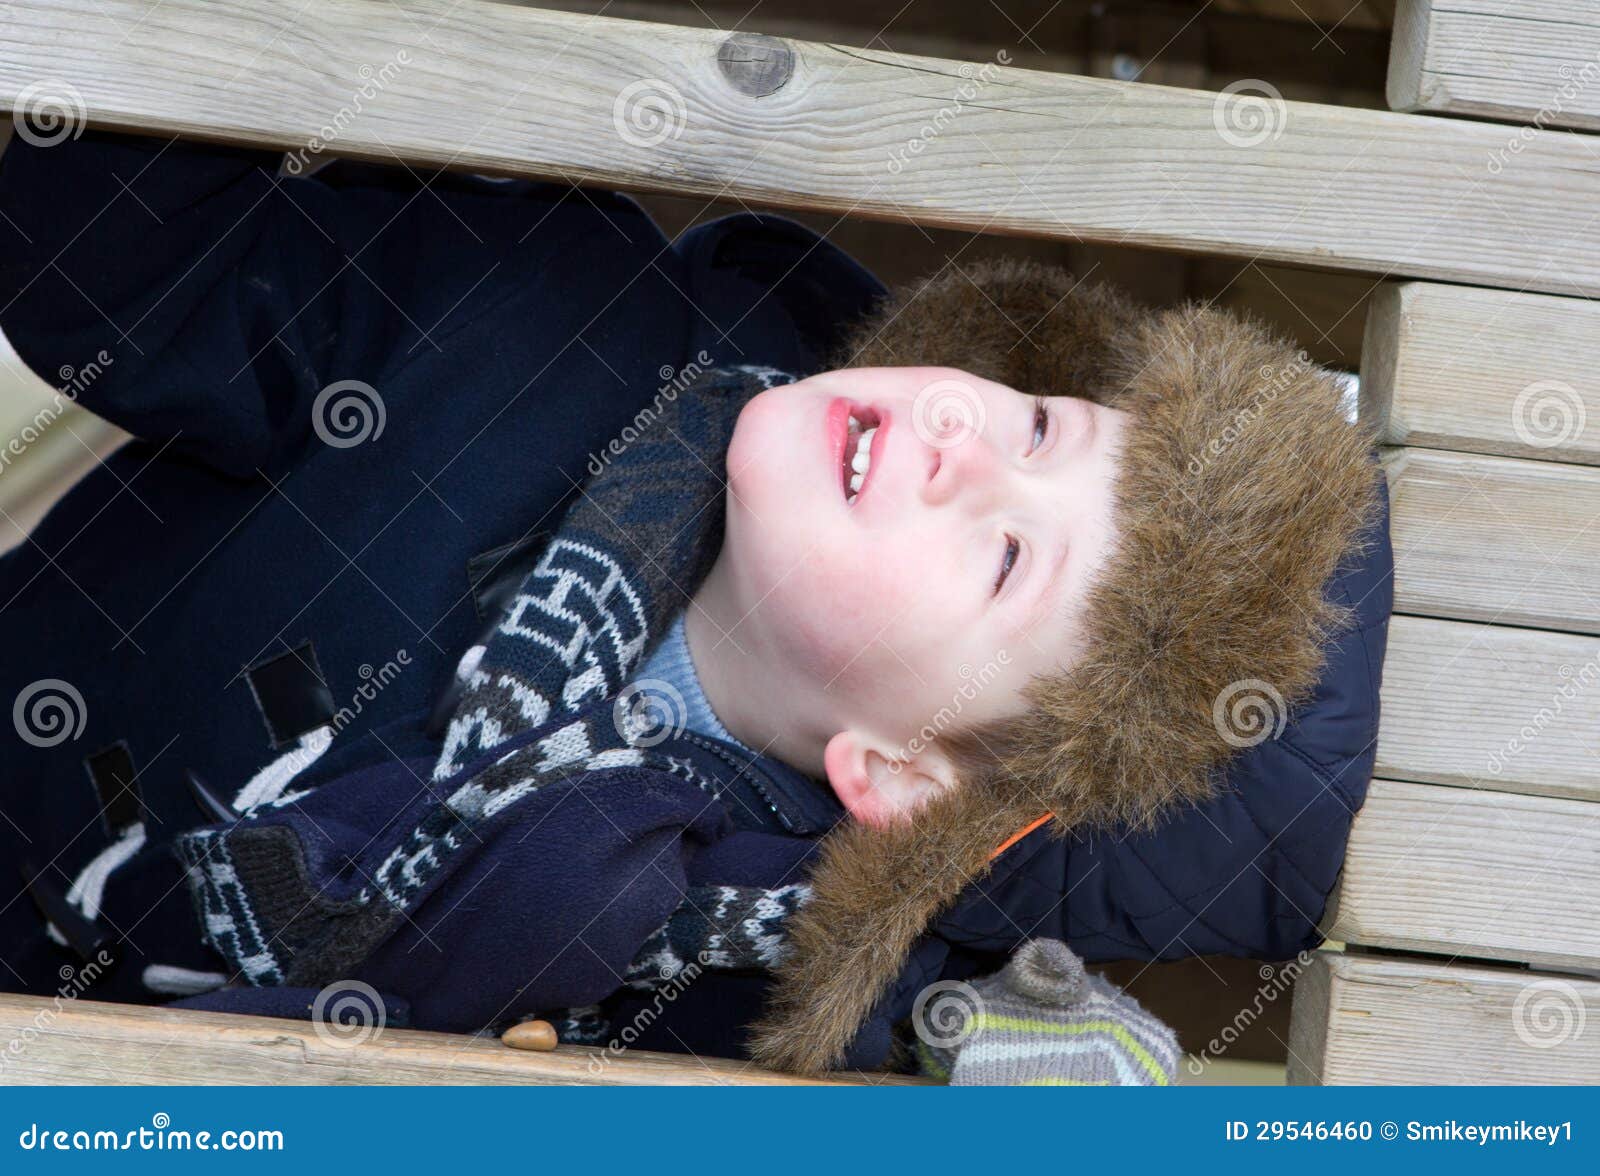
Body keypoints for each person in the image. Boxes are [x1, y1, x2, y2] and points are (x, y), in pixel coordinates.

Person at [0, 128, 1392, 1076]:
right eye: (1042, 426)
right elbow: (104, 259)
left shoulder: (744, 988)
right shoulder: (540, 325)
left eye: (1006, 559)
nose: (968, 445)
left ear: (898, 775)